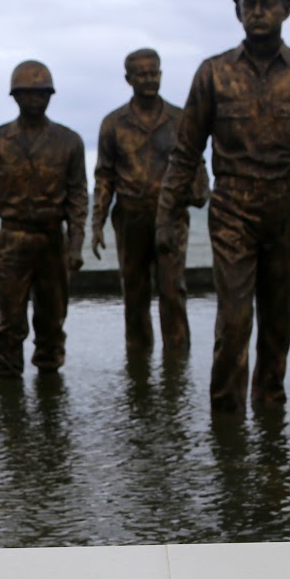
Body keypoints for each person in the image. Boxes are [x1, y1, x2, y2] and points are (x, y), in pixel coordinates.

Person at [158, 0, 290, 414]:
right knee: (234, 322)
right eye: (248, 5)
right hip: (232, 206)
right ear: (237, 13)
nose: (257, 12)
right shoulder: (213, 74)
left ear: (286, 10)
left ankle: (270, 412)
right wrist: (165, 215)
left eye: (267, 4)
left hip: (285, 207)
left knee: (278, 321)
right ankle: (225, 420)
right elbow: (185, 153)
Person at [91, 48, 208, 353]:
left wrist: (200, 191)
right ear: (128, 79)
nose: (148, 79)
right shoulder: (113, 124)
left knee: (173, 291)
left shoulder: (180, 119)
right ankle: (138, 363)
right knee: (134, 294)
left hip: (170, 218)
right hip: (130, 219)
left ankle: (177, 364)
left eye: (153, 72)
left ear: (161, 74)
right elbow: (104, 176)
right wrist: (97, 222)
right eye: (141, 74)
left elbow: (195, 161)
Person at [0, 60, 87, 376]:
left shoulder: (69, 141)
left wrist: (76, 246)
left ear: (51, 96)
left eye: (41, 94)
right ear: (14, 96)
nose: (34, 100)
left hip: (52, 239)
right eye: (27, 94)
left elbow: (78, 198)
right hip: (12, 238)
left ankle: (49, 378)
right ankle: (7, 380)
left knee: (52, 317)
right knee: (10, 317)